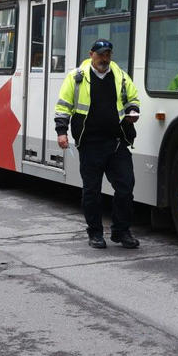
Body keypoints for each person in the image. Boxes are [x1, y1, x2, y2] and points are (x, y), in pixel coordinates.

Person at [54, 39, 141, 249]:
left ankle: (121, 231)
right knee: (91, 191)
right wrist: (61, 132)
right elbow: (63, 106)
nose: (105, 58)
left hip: (117, 142)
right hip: (90, 143)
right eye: (101, 54)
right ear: (91, 54)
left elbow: (133, 98)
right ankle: (95, 233)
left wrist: (132, 112)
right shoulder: (76, 78)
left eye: (108, 54)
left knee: (126, 187)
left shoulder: (120, 75)